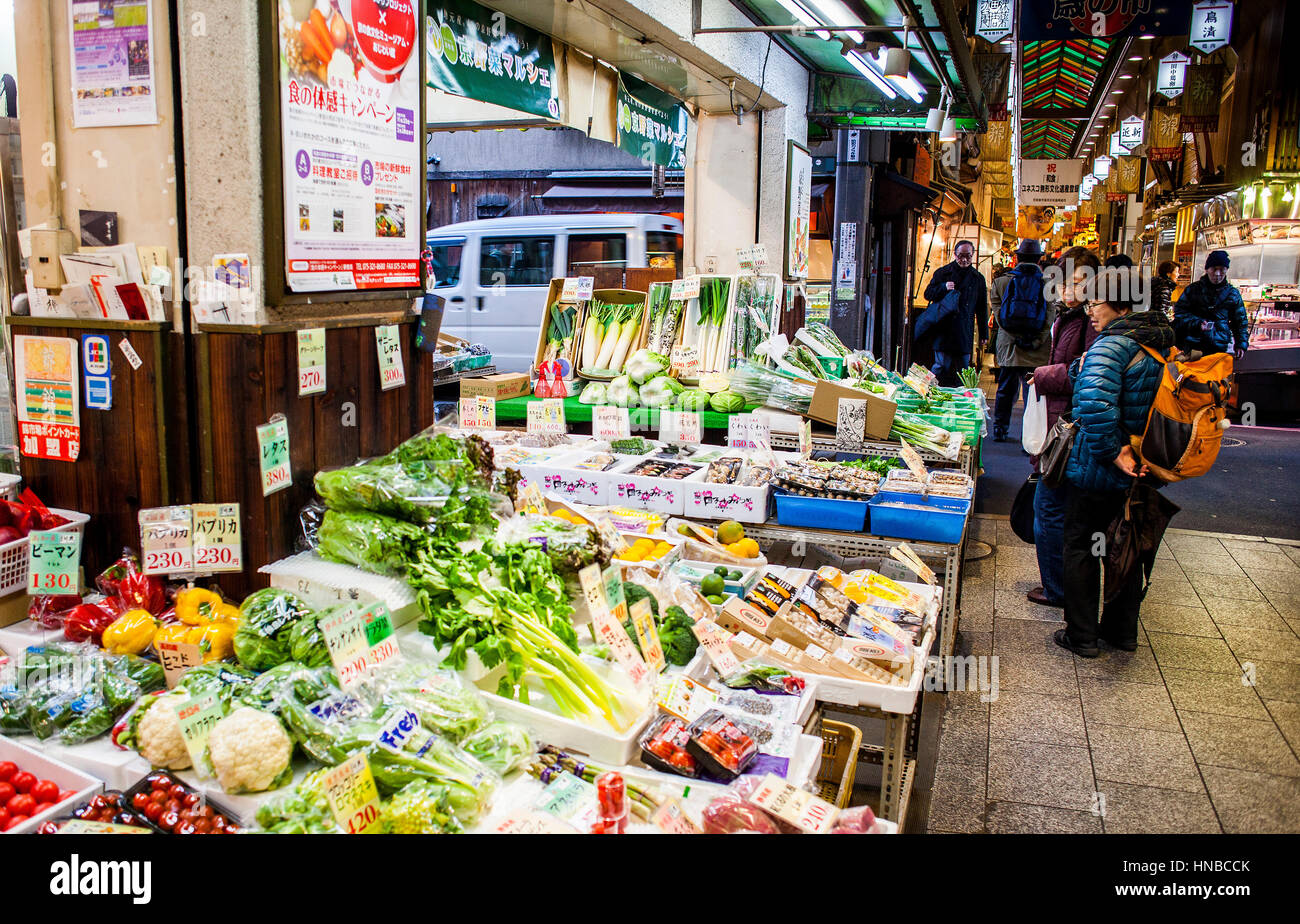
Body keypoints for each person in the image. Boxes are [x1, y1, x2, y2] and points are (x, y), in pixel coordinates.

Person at [1056, 269, 1176, 657]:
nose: (1091, 311)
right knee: (1128, 547)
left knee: (1082, 546)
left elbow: (1094, 405)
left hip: (1101, 467)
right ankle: (1122, 633)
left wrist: (1113, 451)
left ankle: (1083, 636)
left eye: (1097, 303)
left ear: (1121, 305)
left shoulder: (1113, 344)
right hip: (1145, 467)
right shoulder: (1159, 341)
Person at [1024, 247, 1101, 608]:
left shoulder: (1091, 322)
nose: (1070, 287)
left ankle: (1058, 589)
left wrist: (1042, 375)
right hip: (1061, 423)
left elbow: (1083, 374)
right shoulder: (1072, 315)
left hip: (1071, 429)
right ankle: (1060, 586)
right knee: (1055, 509)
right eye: (1065, 279)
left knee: (1049, 510)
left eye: (1079, 280)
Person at [989, 239, 1051, 442]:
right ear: (1039, 258)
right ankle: (1030, 436)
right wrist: (1037, 340)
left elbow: (999, 314)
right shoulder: (1049, 283)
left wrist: (1012, 335)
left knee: (1006, 389)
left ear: (1017, 257)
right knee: (1032, 393)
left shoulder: (1001, 282)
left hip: (1010, 346)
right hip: (1037, 348)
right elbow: (1050, 317)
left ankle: (1000, 429)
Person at [923, 240, 988, 386]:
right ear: (954, 254)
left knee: (963, 371)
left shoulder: (978, 278)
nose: (964, 259)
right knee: (939, 367)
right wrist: (943, 287)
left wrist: (984, 333)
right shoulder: (942, 273)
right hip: (943, 329)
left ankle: (962, 400)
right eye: (961, 256)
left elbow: (982, 307)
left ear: (973, 255)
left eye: (968, 256)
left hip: (964, 330)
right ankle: (927, 393)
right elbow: (928, 294)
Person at [1173, 250, 1249, 359]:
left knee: (1215, 375)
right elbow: (1180, 313)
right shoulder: (1193, 290)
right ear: (1207, 269)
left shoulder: (1233, 294)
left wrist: (1241, 344)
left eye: (1222, 270)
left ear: (1226, 270)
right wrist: (1197, 323)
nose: (1217, 274)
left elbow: (1240, 322)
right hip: (1192, 346)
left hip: (1219, 346)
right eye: (1214, 269)